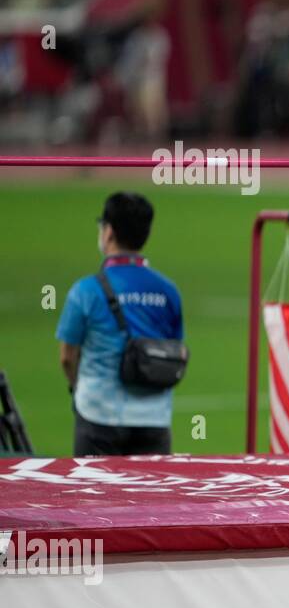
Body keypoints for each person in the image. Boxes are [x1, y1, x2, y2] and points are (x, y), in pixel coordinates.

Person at [56, 193, 183, 455]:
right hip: (154, 419)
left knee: (93, 496)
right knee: (151, 496)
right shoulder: (169, 291)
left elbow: (67, 358)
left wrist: (76, 388)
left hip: (98, 415)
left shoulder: (85, 291)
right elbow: (175, 349)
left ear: (109, 232)